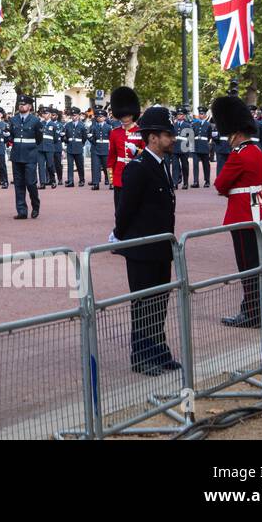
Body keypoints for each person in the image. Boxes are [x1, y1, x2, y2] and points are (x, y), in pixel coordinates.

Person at [112, 106, 181, 376]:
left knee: (159, 304)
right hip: (141, 249)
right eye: (168, 135)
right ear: (153, 137)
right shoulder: (138, 168)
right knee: (143, 306)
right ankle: (141, 356)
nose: (172, 139)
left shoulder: (161, 165)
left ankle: (159, 352)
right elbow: (125, 210)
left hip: (160, 248)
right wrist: (121, 236)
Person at [213, 95, 262, 328]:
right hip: (258, 213)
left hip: (242, 216)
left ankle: (251, 313)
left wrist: (230, 192)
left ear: (235, 133)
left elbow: (220, 184)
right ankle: (255, 310)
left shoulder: (239, 155)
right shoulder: (257, 152)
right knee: (256, 266)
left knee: (247, 268)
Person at [106, 87, 143, 216]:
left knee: (135, 206)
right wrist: (111, 177)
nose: (125, 118)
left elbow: (145, 154)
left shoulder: (140, 132)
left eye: (127, 115)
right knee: (119, 207)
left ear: (133, 114)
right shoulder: (115, 133)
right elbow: (112, 156)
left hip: (136, 172)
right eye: (122, 115)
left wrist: (136, 151)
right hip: (119, 174)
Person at [8, 95, 42, 219]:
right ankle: (22, 210)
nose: (21, 106)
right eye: (20, 104)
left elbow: (39, 139)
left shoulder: (35, 121)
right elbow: (11, 136)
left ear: (30, 106)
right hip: (16, 155)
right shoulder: (13, 120)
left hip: (30, 156)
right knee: (19, 184)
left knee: (31, 183)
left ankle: (35, 205)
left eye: (24, 104)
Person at [63, 107, 88, 188]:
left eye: (75, 115)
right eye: (72, 116)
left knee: (79, 165)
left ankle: (81, 179)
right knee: (70, 165)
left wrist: (81, 144)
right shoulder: (67, 125)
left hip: (78, 147)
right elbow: (65, 136)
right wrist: (66, 140)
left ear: (78, 115)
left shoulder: (82, 125)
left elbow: (84, 138)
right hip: (70, 147)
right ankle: (70, 181)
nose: (74, 117)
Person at [89, 110, 111, 190]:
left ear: (105, 117)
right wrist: (94, 142)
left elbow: (112, 138)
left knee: (108, 167)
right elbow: (90, 137)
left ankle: (111, 183)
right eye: (98, 117)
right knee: (95, 167)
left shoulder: (109, 127)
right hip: (96, 149)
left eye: (101, 116)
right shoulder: (94, 127)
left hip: (106, 149)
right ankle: (96, 183)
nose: (99, 118)